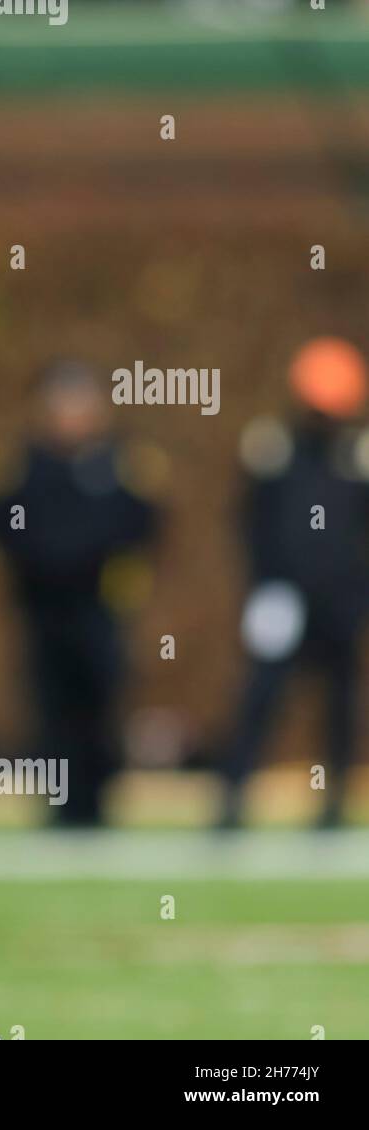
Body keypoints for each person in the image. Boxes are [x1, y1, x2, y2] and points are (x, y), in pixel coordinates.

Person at [0, 359, 160, 826]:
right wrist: (35, 566)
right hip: (44, 609)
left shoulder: (118, 464)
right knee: (51, 708)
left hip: (99, 608)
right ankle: (61, 806)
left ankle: (98, 803)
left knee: (99, 703)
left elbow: (144, 522)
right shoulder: (26, 466)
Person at [218, 337, 369, 829]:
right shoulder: (275, 452)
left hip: (339, 600)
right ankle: (233, 797)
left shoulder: (355, 457)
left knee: (340, 705)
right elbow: (252, 524)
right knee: (260, 700)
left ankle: (334, 803)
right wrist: (264, 586)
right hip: (283, 596)